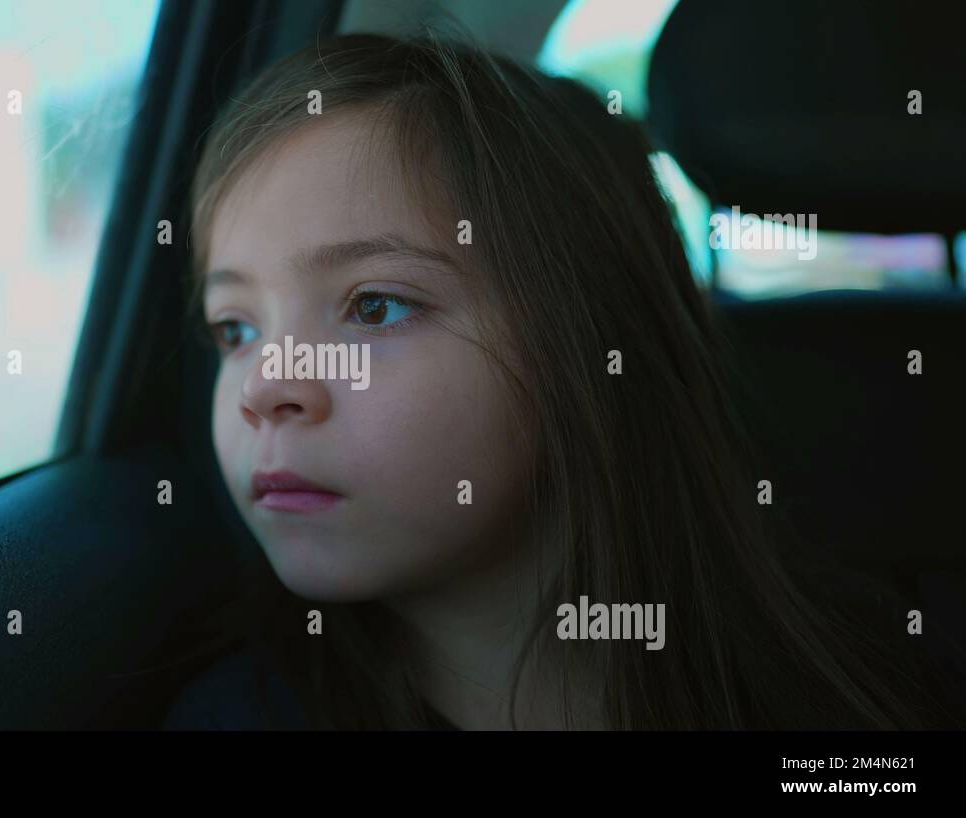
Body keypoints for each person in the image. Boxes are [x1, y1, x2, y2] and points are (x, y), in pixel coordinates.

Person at [162, 29, 963, 731]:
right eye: (235, 328)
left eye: (374, 307)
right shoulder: (235, 720)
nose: (264, 387)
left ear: (588, 343)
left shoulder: (865, 689)